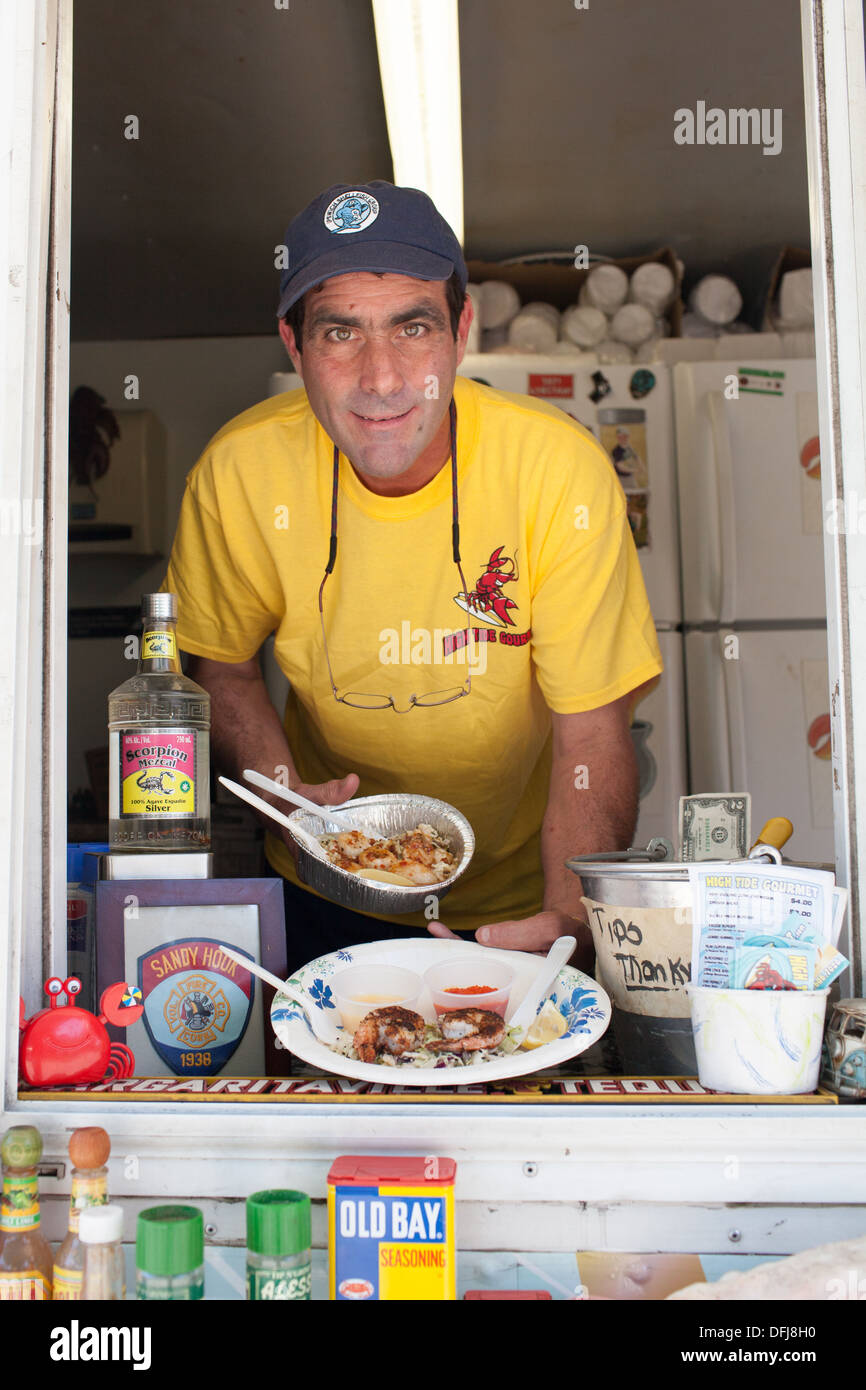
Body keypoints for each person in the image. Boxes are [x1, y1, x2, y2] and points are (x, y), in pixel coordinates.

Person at [163, 180, 663, 974]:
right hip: (327, 886)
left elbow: (591, 734)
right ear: (294, 347)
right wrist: (291, 799)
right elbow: (221, 670)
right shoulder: (240, 472)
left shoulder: (556, 470)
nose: (383, 377)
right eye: (340, 333)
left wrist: (570, 913)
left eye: (413, 327)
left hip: (524, 897)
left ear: (461, 331)